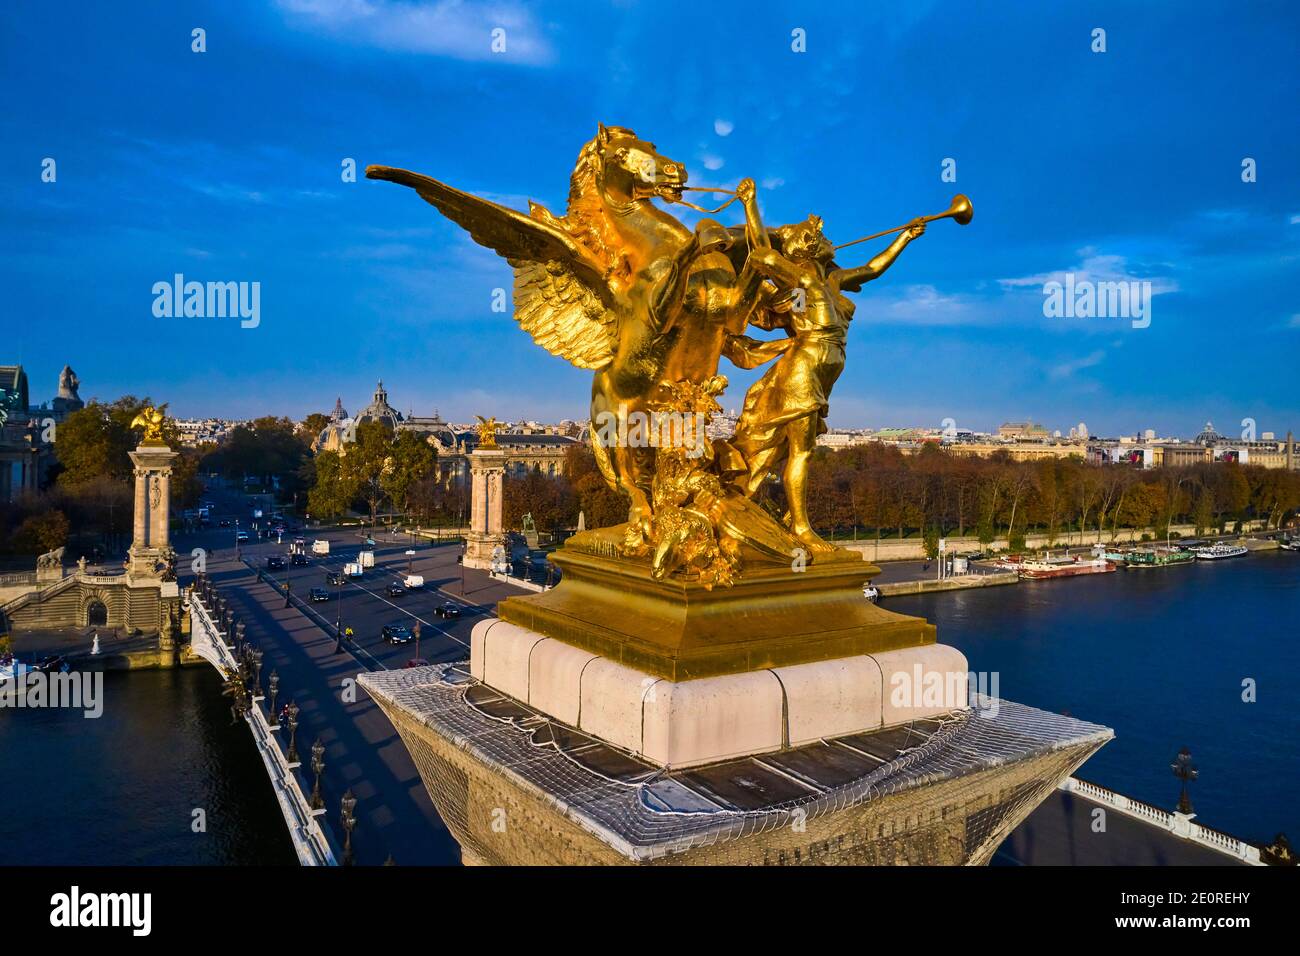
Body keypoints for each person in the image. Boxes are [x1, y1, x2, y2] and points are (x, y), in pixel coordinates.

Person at [730, 193, 926, 553]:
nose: (827, 238)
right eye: (818, 235)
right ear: (806, 246)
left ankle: (788, 519)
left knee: (797, 452)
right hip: (803, 369)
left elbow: (872, 269)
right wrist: (752, 209)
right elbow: (761, 254)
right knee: (800, 452)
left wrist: (906, 237)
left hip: (822, 372)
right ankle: (802, 529)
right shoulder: (797, 279)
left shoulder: (831, 281)